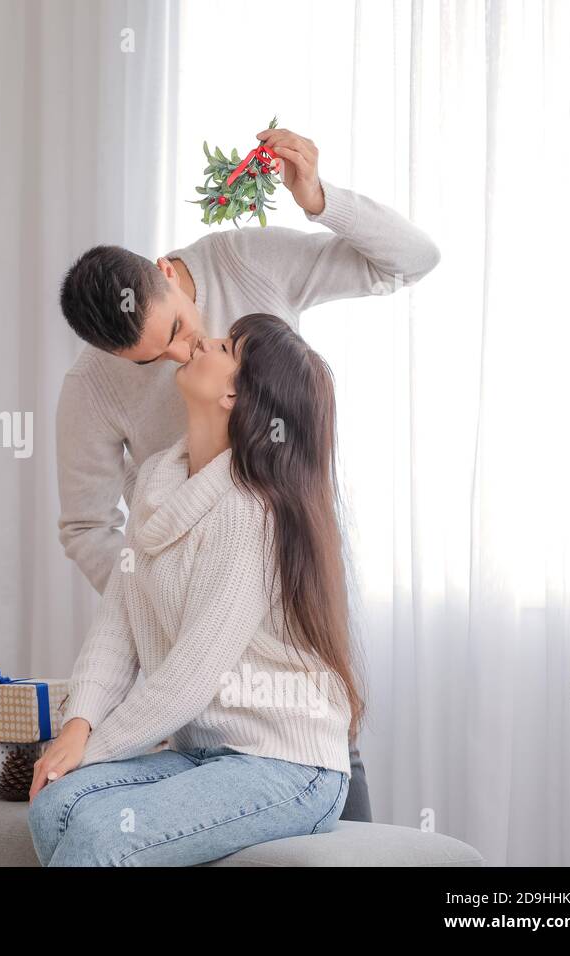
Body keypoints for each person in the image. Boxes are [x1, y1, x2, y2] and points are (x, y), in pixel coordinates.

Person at [54, 127, 440, 821]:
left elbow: (411, 262)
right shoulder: (91, 385)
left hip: (294, 602)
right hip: (197, 655)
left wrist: (320, 200)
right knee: (213, 790)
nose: (183, 355)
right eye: (151, 359)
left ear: (166, 273)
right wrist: (162, 598)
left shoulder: (248, 259)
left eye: (178, 331)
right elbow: (86, 525)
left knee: (322, 761)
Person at [29, 314, 362, 865]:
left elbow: (190, 676)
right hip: (204, 752)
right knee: (55, 807)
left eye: (227, 346)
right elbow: (117, 626)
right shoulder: (158, 479)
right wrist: (78, 724)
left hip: (287, 766)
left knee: (101, 835)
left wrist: (96, 749)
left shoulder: (251, 512)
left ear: (235, 392)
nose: (205, 341)